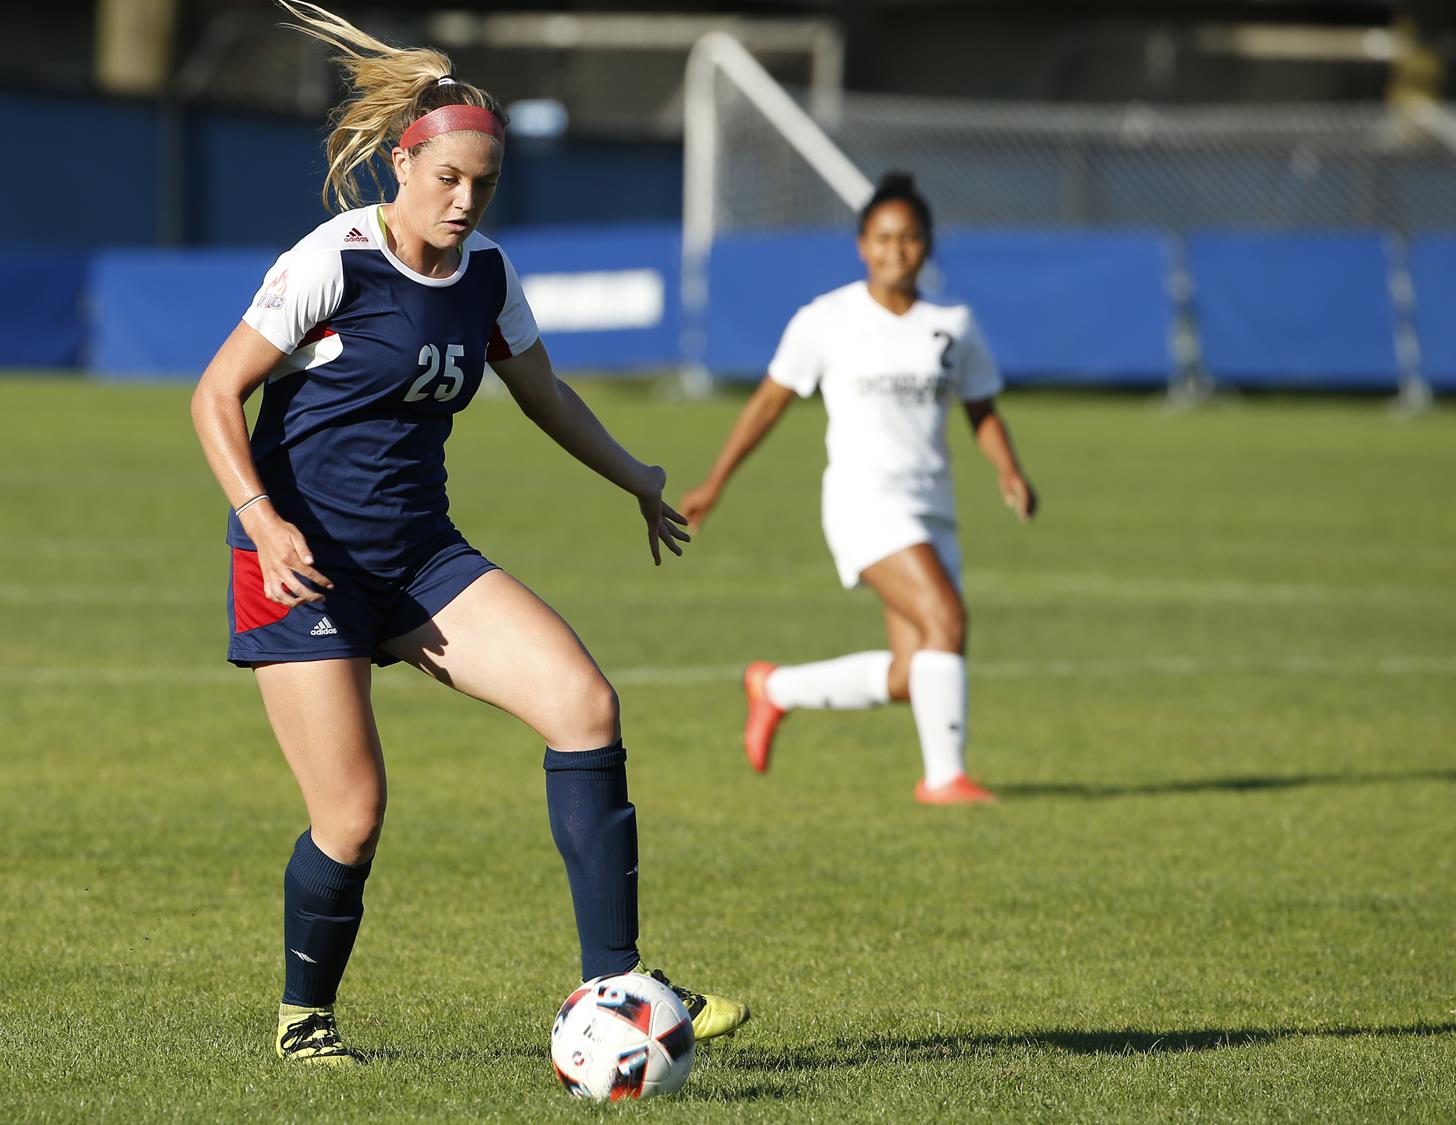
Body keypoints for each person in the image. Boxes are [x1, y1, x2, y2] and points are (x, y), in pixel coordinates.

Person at [190, 1, 748, 1065]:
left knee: (583, 706)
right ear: (402, 167)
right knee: (350, 819)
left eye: (481, 185)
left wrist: (634, 476)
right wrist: (262, 524)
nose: (462, 199)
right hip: (301, 565)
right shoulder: (334, 260)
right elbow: (214, 397)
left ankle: (616, 989)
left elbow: (541, 393)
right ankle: (303, 1018)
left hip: (417, 556)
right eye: (446, 179)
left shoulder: (485, 272)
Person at [679, 172, 1038, 806]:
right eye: (882, 238)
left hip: (934, 507)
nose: (895, 250)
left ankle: (775, 689)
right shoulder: (827, 319)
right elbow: (767, 404)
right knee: (946, 621)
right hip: (863, 503)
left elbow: (981, 409)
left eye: (908, 238)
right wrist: (716, 481)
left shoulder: (953, 324)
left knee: (913, 672)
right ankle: (943, 778)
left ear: (927, 246)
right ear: (861, 245)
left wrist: (1008, 469)